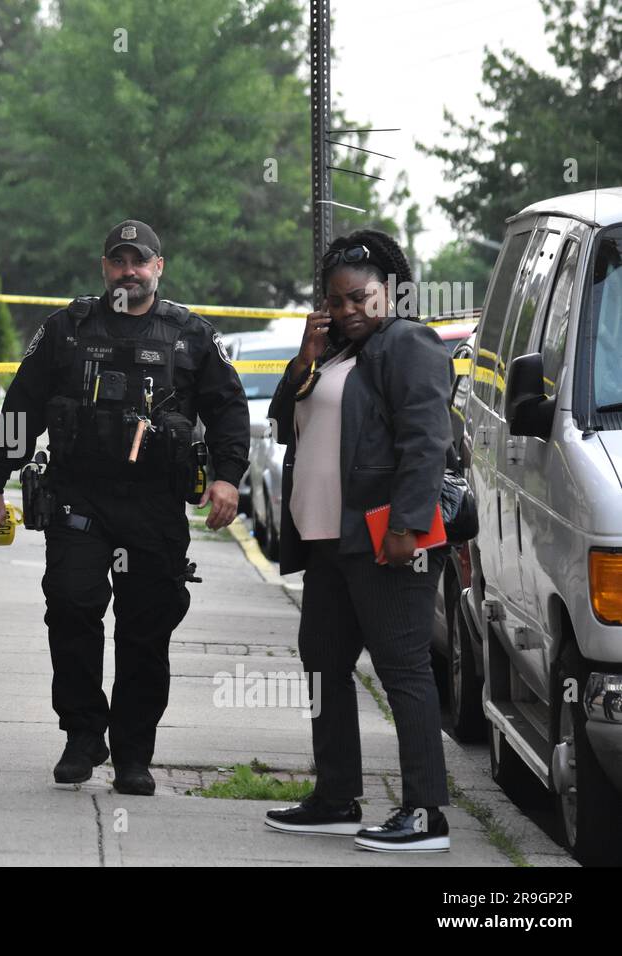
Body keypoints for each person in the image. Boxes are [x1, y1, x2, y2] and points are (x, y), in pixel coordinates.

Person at [0, 220, 250, 795]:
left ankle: (132, 753)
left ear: (158, 267)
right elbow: (23, 404)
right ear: (104, 267)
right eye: (118, 261)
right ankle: (82, 732)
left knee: (146, 627)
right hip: (79, 493)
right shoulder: (68, 329)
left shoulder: (189, 335)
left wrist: (228, 477)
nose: (129, 270)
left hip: (154, 504)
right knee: (71, 607)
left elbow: (228, 408)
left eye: (139, 261)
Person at [262, 229, 454, 852]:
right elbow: (281, 423)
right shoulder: (334, 355)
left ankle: (426, 814)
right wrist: (304, 359)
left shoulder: (408, 343)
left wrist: (407, 525)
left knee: (403, 671)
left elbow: (428, 439)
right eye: (335, 301)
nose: (347, 310)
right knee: (323, 664)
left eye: (358, 298)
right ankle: (337, 797)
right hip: (329, 542)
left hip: (383, 540)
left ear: (389, 292)